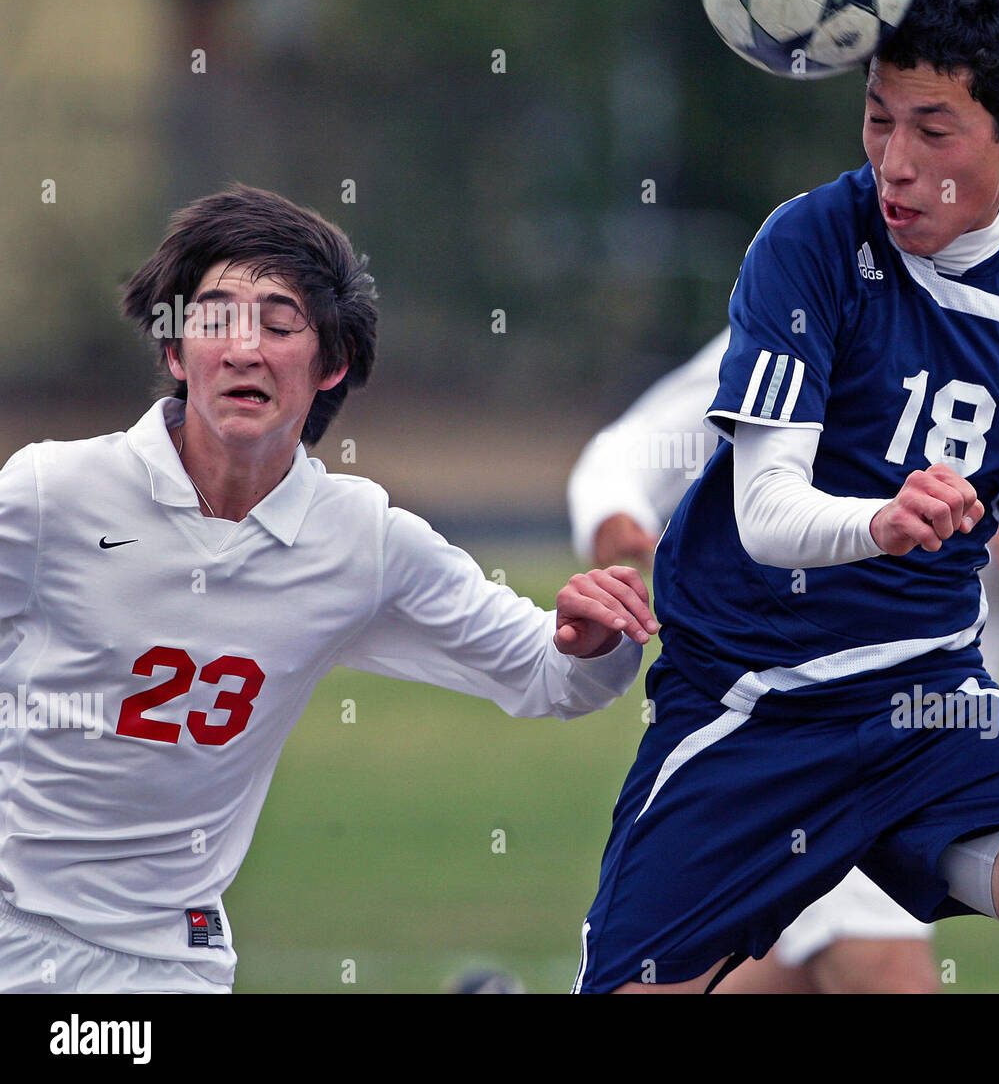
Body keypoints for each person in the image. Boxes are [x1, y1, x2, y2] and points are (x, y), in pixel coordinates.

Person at [572, 0, 999, 995]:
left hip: (933, 709)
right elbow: (768, 513)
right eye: (878, 119)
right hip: (755, 704)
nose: (894, 164)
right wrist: (887, 518)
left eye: (932, 128)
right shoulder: (810, 241)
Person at [0, 185, 657, 994]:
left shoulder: (361, 541)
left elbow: (548, 672)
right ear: (175, 353)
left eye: (279, 325)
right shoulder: (49, 493)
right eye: (214, 319)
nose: (244, 348)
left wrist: (593, 640)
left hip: (169, 958)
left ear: (332, 362)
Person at [567, 338, 999, 994]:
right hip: (796, 728)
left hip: (944, 735)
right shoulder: (812, 300)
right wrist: (617, 518)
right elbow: (633, 448)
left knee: (810, 966)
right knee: (875, 967)